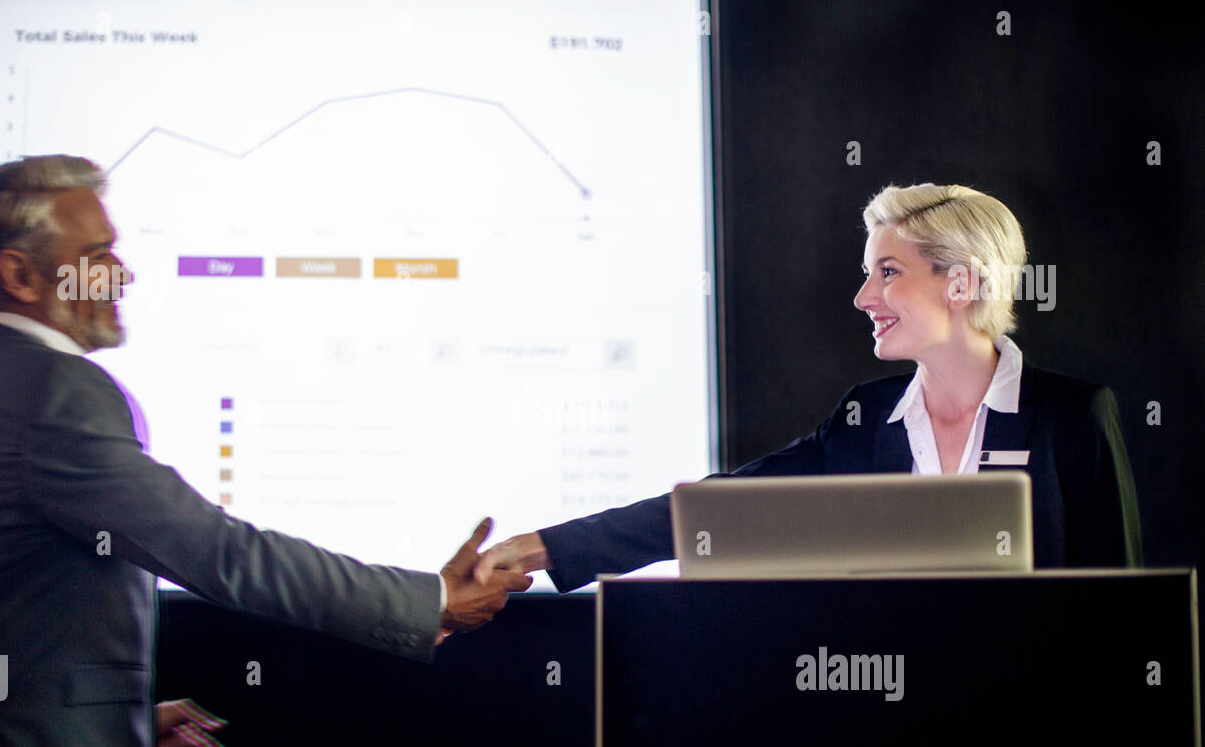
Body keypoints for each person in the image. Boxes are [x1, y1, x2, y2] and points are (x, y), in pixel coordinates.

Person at [0, 154, 531, 747]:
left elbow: (23, 624)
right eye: (97, 255)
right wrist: (429, 601)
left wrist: (121, 731)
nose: (123, 274)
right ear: (19, 274)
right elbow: (220, 551)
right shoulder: (50, 394)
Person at [477, 183, 1142, 591]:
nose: (862, 297)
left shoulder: (1070, 417)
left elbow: (1126, 618)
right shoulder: (866, 418)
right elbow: (727, 505)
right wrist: (543, 548)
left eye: (888, 272)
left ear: (961, 282)